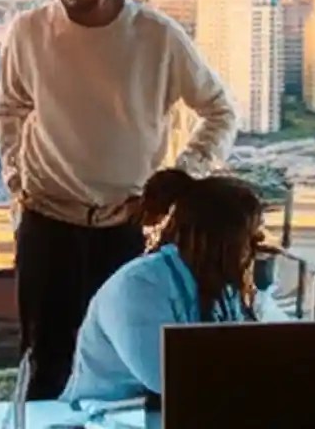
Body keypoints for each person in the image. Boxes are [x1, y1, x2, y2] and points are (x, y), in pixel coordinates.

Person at [0, 0, 237, 399]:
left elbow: (220, 111)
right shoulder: (28, 31)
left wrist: (179, 180)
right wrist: (16, 177)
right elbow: (8, 110)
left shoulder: (156, 36)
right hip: (46, 224)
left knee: (126, 369)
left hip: (123, 229)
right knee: (44, 365)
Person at [60, 168, 263, 403]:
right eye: (250, 237)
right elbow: (169, 378)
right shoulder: (138, 286)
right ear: (216, 240)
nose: (257, 246)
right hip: (109, 413)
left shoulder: (221, 287)